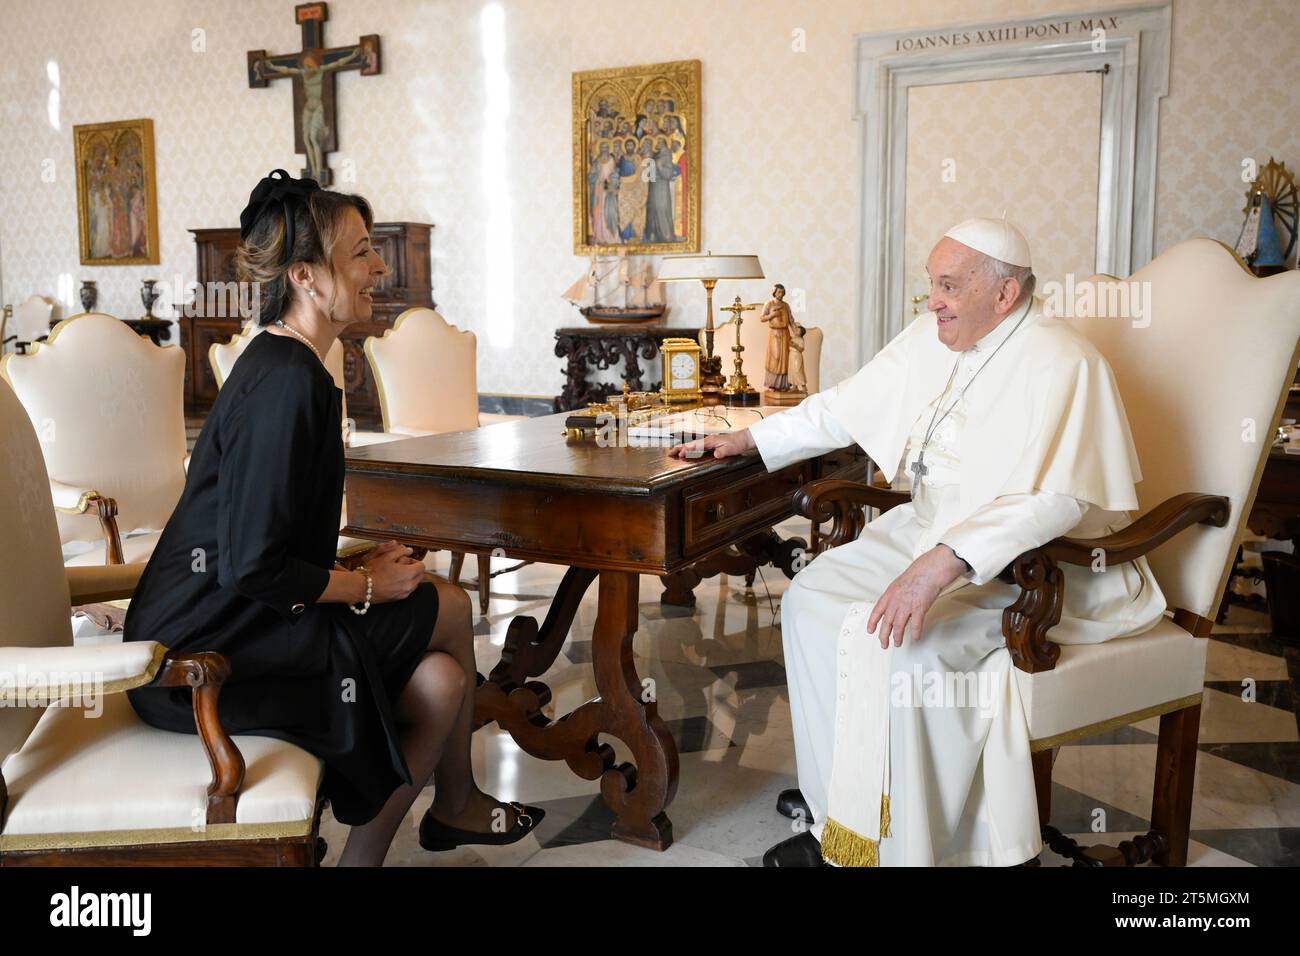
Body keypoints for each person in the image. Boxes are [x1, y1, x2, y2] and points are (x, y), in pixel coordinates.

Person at [669, 218, 1165, 866]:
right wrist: (753, 441)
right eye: (934, 284)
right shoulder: (938, 337)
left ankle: (915, 842)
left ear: (1005, 294)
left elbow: (1060, 500)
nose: (933, 300)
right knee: (810, 600)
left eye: (949, 286)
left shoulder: (1066, 362)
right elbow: (845, 405)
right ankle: (840, 821)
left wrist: (946, 562)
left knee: (907, 646)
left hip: (1033, 563)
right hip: (928, 526)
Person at [124, 170, 541, 866]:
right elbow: (251, 563)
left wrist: (355, 568)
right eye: (360, 253)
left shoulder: (291, 364)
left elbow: (270, 537)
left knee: (440, 678)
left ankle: (387, 846)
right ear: (306, 276)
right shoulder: (285, 381)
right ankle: (458, 803)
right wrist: (366, 587)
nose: (380, 267)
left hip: (247, 617)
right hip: (202, 652)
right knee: (448, 605)